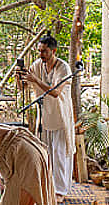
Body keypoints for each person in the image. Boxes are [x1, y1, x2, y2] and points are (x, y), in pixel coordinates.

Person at [17, 34, 75, 196]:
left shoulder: (63, 68)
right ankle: (47, 188)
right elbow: (22, 88)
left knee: (59, 154)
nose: (41, 54)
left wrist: (35, 79)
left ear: (53, 51)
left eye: (44, 51)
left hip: (60, 116)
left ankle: (60, 192)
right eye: (39, 51)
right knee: (45, 154)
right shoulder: (38, 65)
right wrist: (19, 76)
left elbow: (55, 92)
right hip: (44, 117)